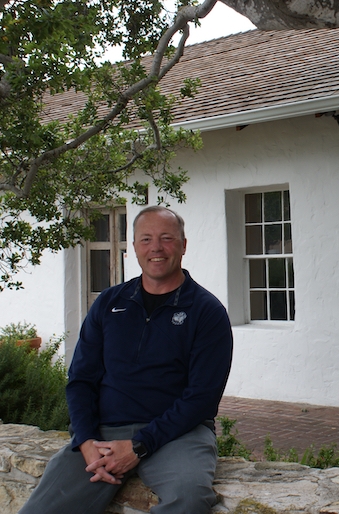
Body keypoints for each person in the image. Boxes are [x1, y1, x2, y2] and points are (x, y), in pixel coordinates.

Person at [20, 206, 233, 514]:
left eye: (166, 238)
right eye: (145, 239)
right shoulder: (109, 303)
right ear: (133, 247)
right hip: (104, 434)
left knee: (189, 499)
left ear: (183, 245)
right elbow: (81, 380)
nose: (156, 248)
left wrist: (139, 445)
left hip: (178, 435)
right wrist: (85, 440)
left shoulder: (206, 311)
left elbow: (202, 398)